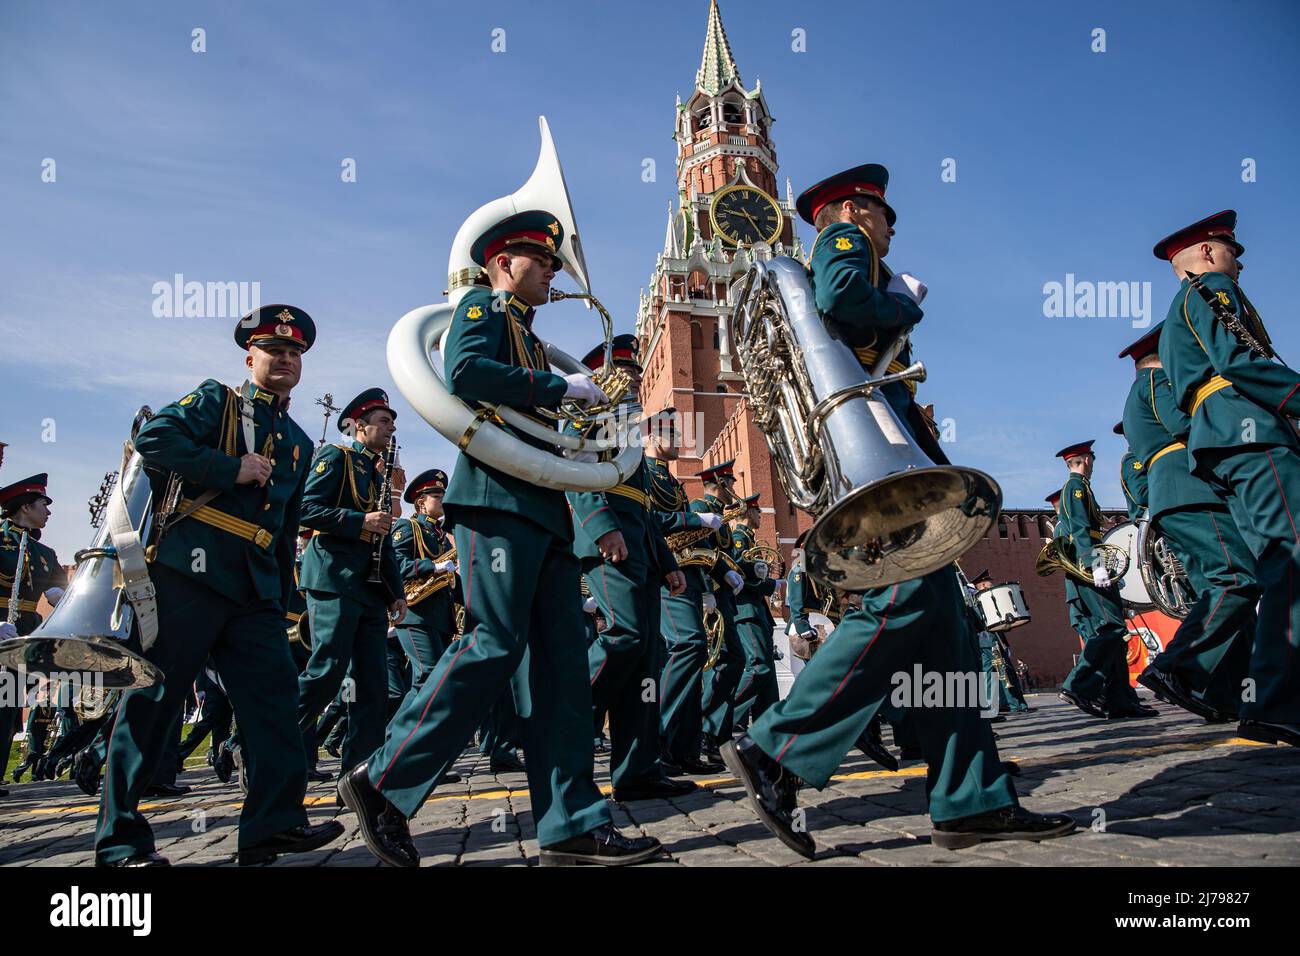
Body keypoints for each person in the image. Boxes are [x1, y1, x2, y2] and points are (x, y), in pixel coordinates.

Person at [723, 164, 1074, 856]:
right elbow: (847, 303)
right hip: (875, 464)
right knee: (902, 605)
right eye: (886, 216)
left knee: (945, 636)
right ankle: (777, 747)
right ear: (856, 212)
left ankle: (970, 800)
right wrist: (903, 303)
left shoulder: (846, 243)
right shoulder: (845, 244)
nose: (891, 228)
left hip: (885, 457)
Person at [338, 209, 661, 866]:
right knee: (490, 643)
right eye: (541, 261)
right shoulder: (484, 309)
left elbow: (554, 429)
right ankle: (384, 778)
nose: (552, 271)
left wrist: (589, 404)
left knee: (564, 672)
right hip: (494, 501)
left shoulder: (533, 339)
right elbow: (465, 373)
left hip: (544, 509)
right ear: (502, 264)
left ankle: (571, 821)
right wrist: (557, 386)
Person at [93, 305, 343, 866]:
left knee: (275, 704)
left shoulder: (300, 442)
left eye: (295, 353)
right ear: (249, 356)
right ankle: (119, 845)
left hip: (254, 594)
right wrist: (228, 469)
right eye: (274, 350)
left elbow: (282, 530)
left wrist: (284, 598)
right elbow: (154, 440)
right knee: (153, 703)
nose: (285, 359)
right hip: (186, 577)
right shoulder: (217, 402)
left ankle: (272, 826)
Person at [1154, 210, 1300, 746]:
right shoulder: (1211, 287)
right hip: (1252, 433)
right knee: (1293, 558)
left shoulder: (1177, 310)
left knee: (1275, 565)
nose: (1238, 268)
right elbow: (1239, 360)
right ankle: (1278, 702)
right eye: (1234, 254)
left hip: (1220, 442)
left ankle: (1272, 701)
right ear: (1212, 253)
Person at [566, 335, 695, 801]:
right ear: (602, 374)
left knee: (645, 660)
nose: (638, 380)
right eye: (628, 371)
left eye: (638, 372)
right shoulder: (591, 417)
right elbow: (574, 472)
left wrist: (668, 563)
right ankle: (567, 714)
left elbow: (641, 506)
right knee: (624, 635)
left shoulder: (629, 433)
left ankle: (638, 770)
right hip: (608, 540)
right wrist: (601, 528)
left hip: (638, 542)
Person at [1116, 323, 1258, 722]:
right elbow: (1184, 423)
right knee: (1235, 579)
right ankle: (1178, 666)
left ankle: (1227, 694)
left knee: (1227, 594)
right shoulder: (1157, 379)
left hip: (1176, 497)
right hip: (1192, 491)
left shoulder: (1134, 395)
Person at [295, 388, 406, 780]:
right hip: (334, 579)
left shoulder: (378, 473)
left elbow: (384, 537)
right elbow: (305, 509)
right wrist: (358, 522)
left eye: (392, 422)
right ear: (360, 427)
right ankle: (258, 742)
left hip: (370, 589)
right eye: (383, 421)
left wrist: (396, 593)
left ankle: (359, 773)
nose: (391, 428)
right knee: (326, 671)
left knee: (372, 687)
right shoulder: (336, 457)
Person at [644, 408, 724, 775]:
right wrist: (694, 519)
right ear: (654, 436)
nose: (679, 442)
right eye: (672, 435)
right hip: (663, 573)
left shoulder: (673, 482)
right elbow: (652, 521)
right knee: (687, 645)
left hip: (686, 575)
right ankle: (658, 739)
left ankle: (684, 749)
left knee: (693, 653)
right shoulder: (643, 473)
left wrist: (706, 583)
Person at [1054, 440, 1156, 720]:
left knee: (1116, 635)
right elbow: (1080, 529)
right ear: (1086, 460)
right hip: (1090, 566)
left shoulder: (1081, 488)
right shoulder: (1075, 488)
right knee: (1110, 627)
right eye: (1092, 460)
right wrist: (1094, 565)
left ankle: (1120, 700)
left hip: (1094, 564)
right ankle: (1078, 685)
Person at [0, 473, 67, 792]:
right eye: (43, 504)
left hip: (24, 634)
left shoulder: (46, 553)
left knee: (7, 705)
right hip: (2, 624)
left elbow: (58, 592)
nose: (49, 512)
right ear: (25, 507)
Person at [692, 460, 747, 756]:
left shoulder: (720, 515)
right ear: (720, 483)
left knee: (733, 659)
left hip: (724, 596)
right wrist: (704, 591)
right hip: (710, 596)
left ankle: (717, 732)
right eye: (731, 484)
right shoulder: (700, 505)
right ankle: (702, 726)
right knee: (722, 660)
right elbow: (694, 549)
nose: (734, 490)